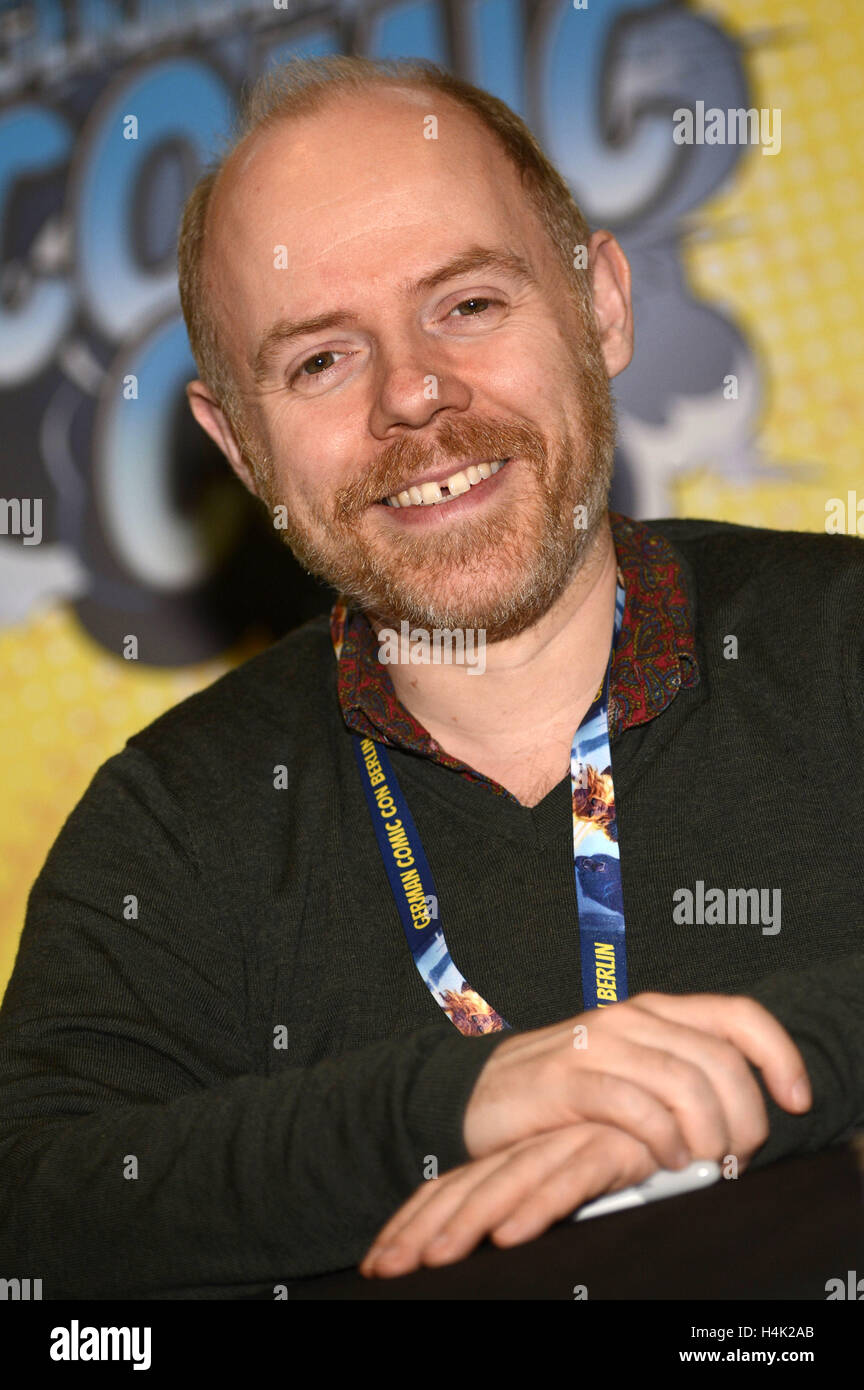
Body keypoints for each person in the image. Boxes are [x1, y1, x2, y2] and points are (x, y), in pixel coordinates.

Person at [0, 54, 861, 1299]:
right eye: (319, 362)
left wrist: (750, 1077)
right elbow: (39, 1202)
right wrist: (460, 1103)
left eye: (467, 304)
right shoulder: (172, 824)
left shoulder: (843, 639)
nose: (413, 393)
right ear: (239, 446)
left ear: (603, 308)